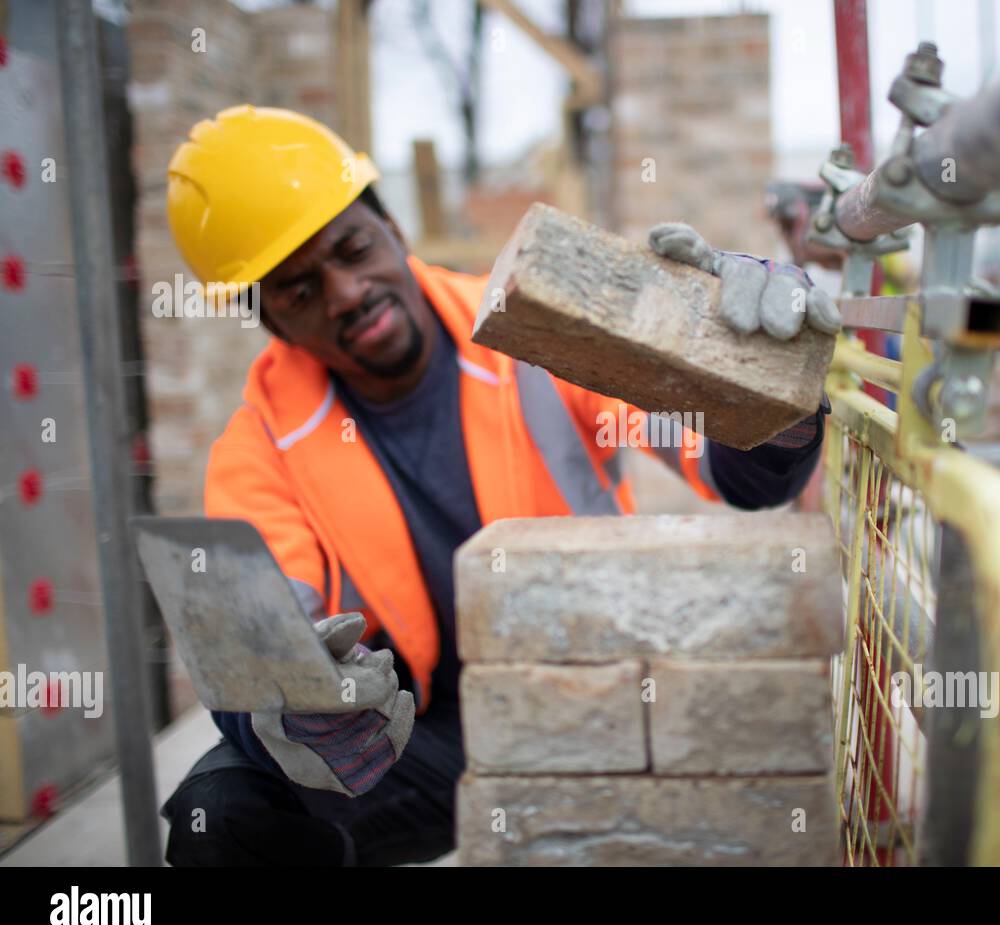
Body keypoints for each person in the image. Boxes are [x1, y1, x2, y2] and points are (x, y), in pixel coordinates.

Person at [159, 105, 841, 866]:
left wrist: (764, 390)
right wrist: (289, 713)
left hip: (590, 700)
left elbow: (730, 470)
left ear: (395, 230)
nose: (346, 293)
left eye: (353, 248)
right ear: (271, 324)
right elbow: (262, 648)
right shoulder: (258, 447)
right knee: (223, 812)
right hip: (412, 746)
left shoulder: (537, 333)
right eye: (298, 291)